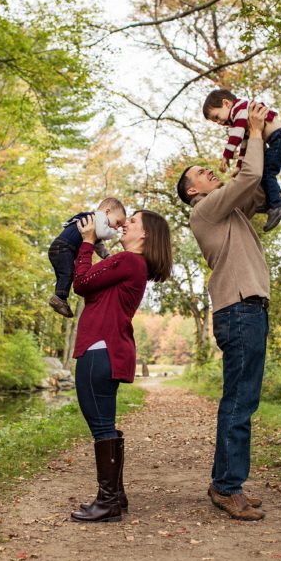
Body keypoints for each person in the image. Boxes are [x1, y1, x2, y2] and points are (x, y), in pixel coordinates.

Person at [176, 101, 270, 521]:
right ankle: (226, 487)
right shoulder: (205, 210)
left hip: (249, 309)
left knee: (243, 401)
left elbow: (259, 187)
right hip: (239, 311)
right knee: (238, 402)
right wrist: (250, 130)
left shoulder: (230, 210)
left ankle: (226, 481)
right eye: (199, 173)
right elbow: (248, 174)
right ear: (193, 191)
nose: (207, 172)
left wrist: (266, 138)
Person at [69, 209, 172, 523]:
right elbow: (98, 281)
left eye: (134, 221)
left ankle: (108, 501)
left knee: (101, 427)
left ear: (145, 235)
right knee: (105, 425)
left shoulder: (128, 261)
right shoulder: (130, 263)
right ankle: (115, 495)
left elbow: (82, 282)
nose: (125, 223)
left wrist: (87, 243)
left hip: (99, 348)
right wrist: (98, 249)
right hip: (108, 350)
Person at [203, 89, 281, 233]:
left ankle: (277, 205)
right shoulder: (242, 116)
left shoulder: (239, 108)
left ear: (226, 103)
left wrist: (227, 155)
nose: (218, 122)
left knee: (266, 172)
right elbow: (245, 143)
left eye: (216, 116)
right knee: (259, 168)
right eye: (214, 121)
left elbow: (237, 134)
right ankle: (267, 202)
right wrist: (240, 165)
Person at [48, 197, 127, 318]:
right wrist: (114, 233)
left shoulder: (95, 226)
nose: (116, 228)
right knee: (67, 273)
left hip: (63, 250)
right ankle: (59, 299)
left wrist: (107, 256)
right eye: (117, 223)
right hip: (62, 248)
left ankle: (60, 298)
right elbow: (102, 234)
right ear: (107, 212)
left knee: (67, 274)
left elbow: (98, 244)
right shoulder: (98, 217)